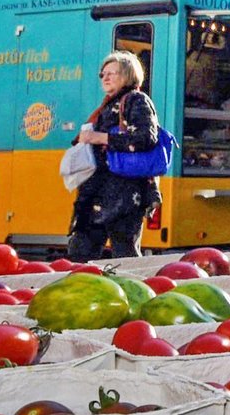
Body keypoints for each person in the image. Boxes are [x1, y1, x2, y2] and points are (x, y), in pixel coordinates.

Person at [68, 51, 162, 259]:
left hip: (124, 193)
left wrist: (99, 138)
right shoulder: (107, 105)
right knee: (80, 251)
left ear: (128, 75)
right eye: (103, 74)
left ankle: (131, 290)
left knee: (124, 253)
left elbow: (146, 138)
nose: (106, 78)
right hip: (97, 191)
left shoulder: (137, 100)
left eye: (113, 73)